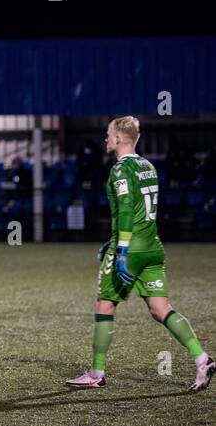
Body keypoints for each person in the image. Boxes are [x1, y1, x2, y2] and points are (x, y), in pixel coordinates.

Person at [66, 116, 214, 391]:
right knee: (160, 309)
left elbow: (125, 211)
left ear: (119, 139)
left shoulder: (120, 170)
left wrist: (120, 249)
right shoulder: (148, 166)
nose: (106, 139)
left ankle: (97, 372)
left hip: (130, 248)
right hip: (152, 248)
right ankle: (202, 358)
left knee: (104, 305)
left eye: (109, 134)